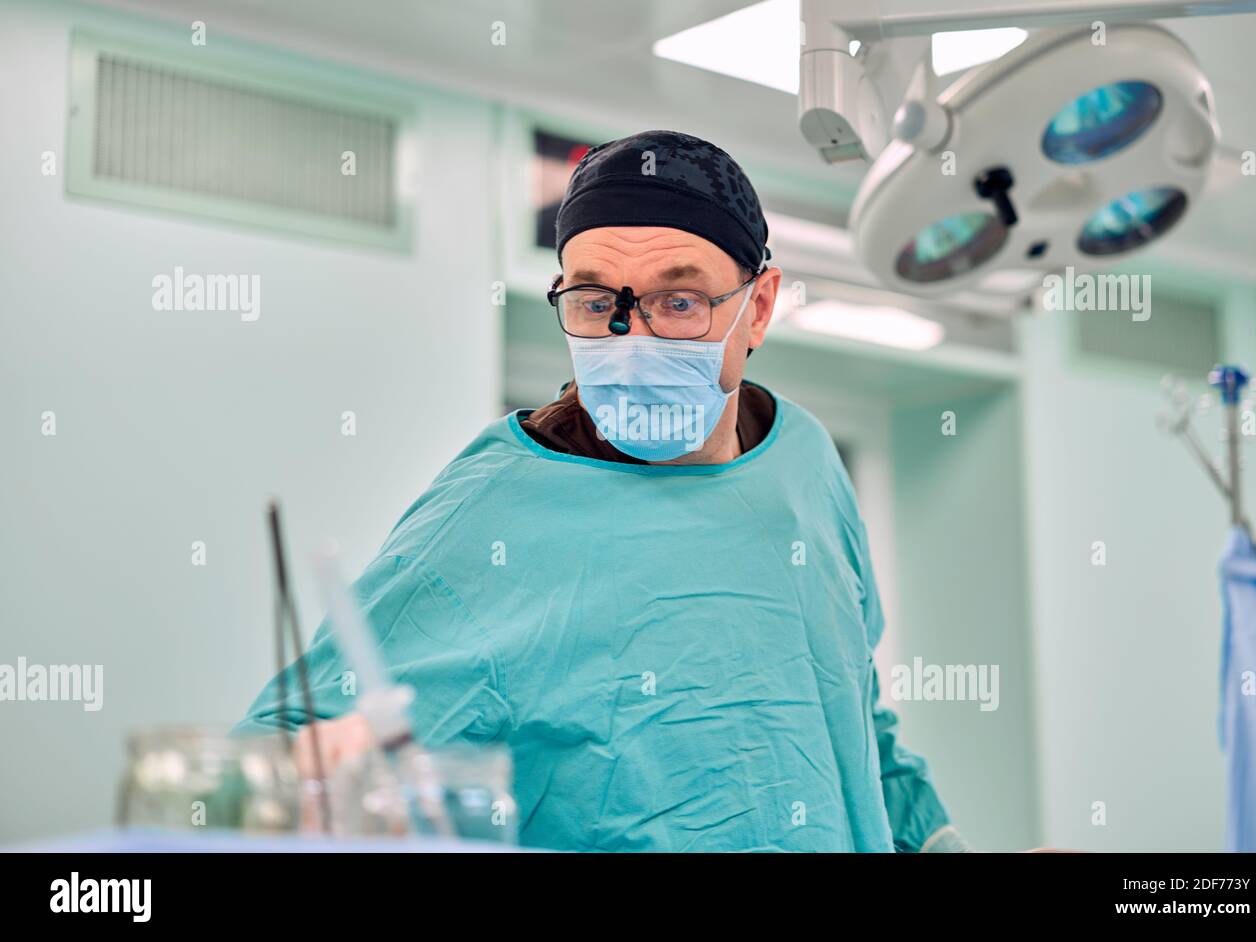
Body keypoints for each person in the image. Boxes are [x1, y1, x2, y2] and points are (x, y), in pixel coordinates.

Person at [235, 129, 970, 853]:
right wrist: (312, 784)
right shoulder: (499, 504)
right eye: (594, 302)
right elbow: (290, 742)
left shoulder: (806, 463)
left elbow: (853, 714)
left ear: (761, 306)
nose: (632, 342)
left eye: (678, 303)